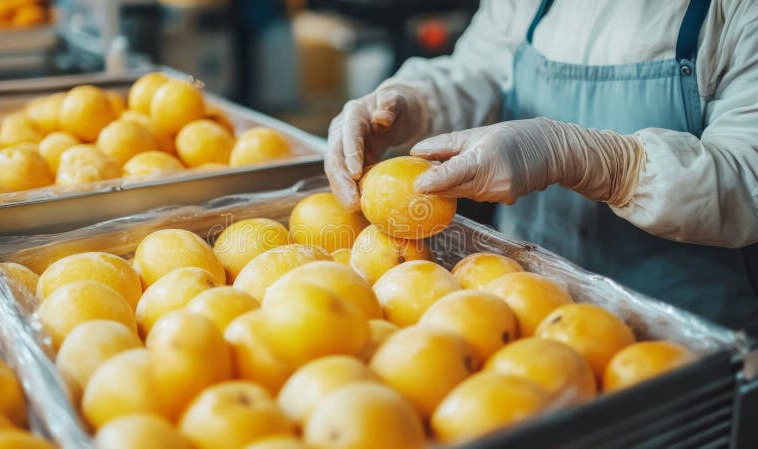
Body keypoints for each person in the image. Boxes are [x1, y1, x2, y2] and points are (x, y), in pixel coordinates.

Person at [324, 0, 758, 331]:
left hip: (681, 329)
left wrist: (607, 164)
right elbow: (483, 70)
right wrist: (415, 103)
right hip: (521, 301)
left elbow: (746, 178)